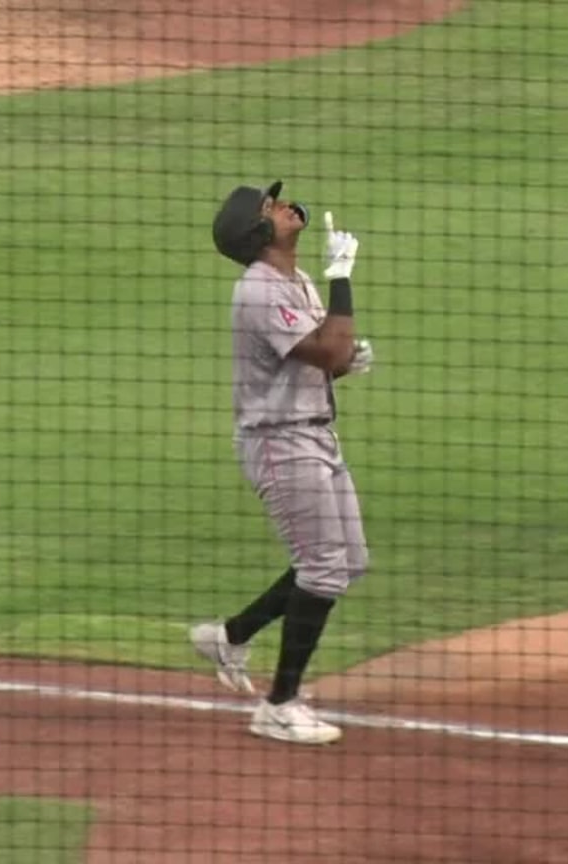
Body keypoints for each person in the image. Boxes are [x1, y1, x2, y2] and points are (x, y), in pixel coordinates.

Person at [190, 180, 373, 746]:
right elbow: (327, 349)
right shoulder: (258, 291)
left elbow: (324, 357)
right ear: (259, 230)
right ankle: (280, 703)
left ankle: (231, 636)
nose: (285, 205)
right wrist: (341, 276)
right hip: (281, 442)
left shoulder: (293, 282)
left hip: (314, 435)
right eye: (271, 207)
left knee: (348, 561)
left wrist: (346, 360)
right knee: (322, 568)